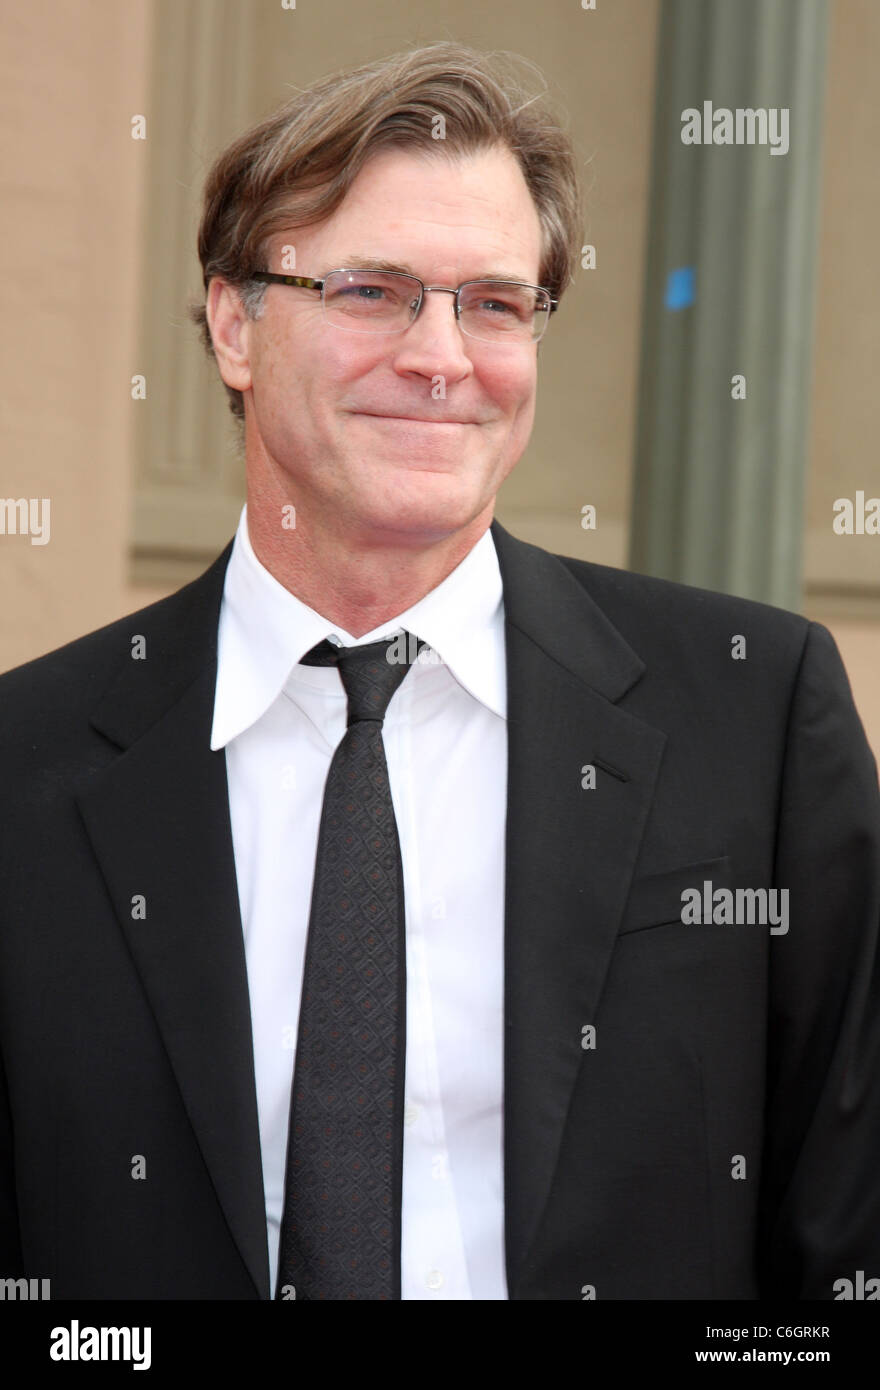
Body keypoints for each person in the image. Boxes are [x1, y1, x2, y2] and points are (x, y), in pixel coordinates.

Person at [1, 41, 878, 1302]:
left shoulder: (754, 716)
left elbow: (844, 1226)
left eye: (495, 302)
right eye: (372, 291)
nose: (441, 355)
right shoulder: (26, 769)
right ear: (234, 323)